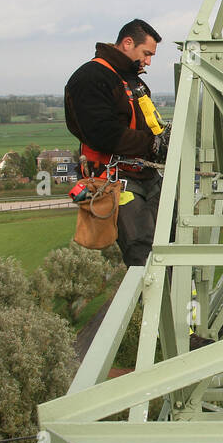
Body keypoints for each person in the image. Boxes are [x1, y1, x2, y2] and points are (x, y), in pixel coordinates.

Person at [64, 19, 169, 267]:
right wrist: (152, 144)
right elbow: (103, 133)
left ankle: (184, 301)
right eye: (146, 54)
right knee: (143, 251)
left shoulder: (133, 82)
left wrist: (162, 139)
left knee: (170, 240)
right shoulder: (91, 78)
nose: (148, 61)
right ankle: (163, 304)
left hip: (145, 175)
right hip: (114, 180)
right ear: (127, 43)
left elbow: (145, 124)